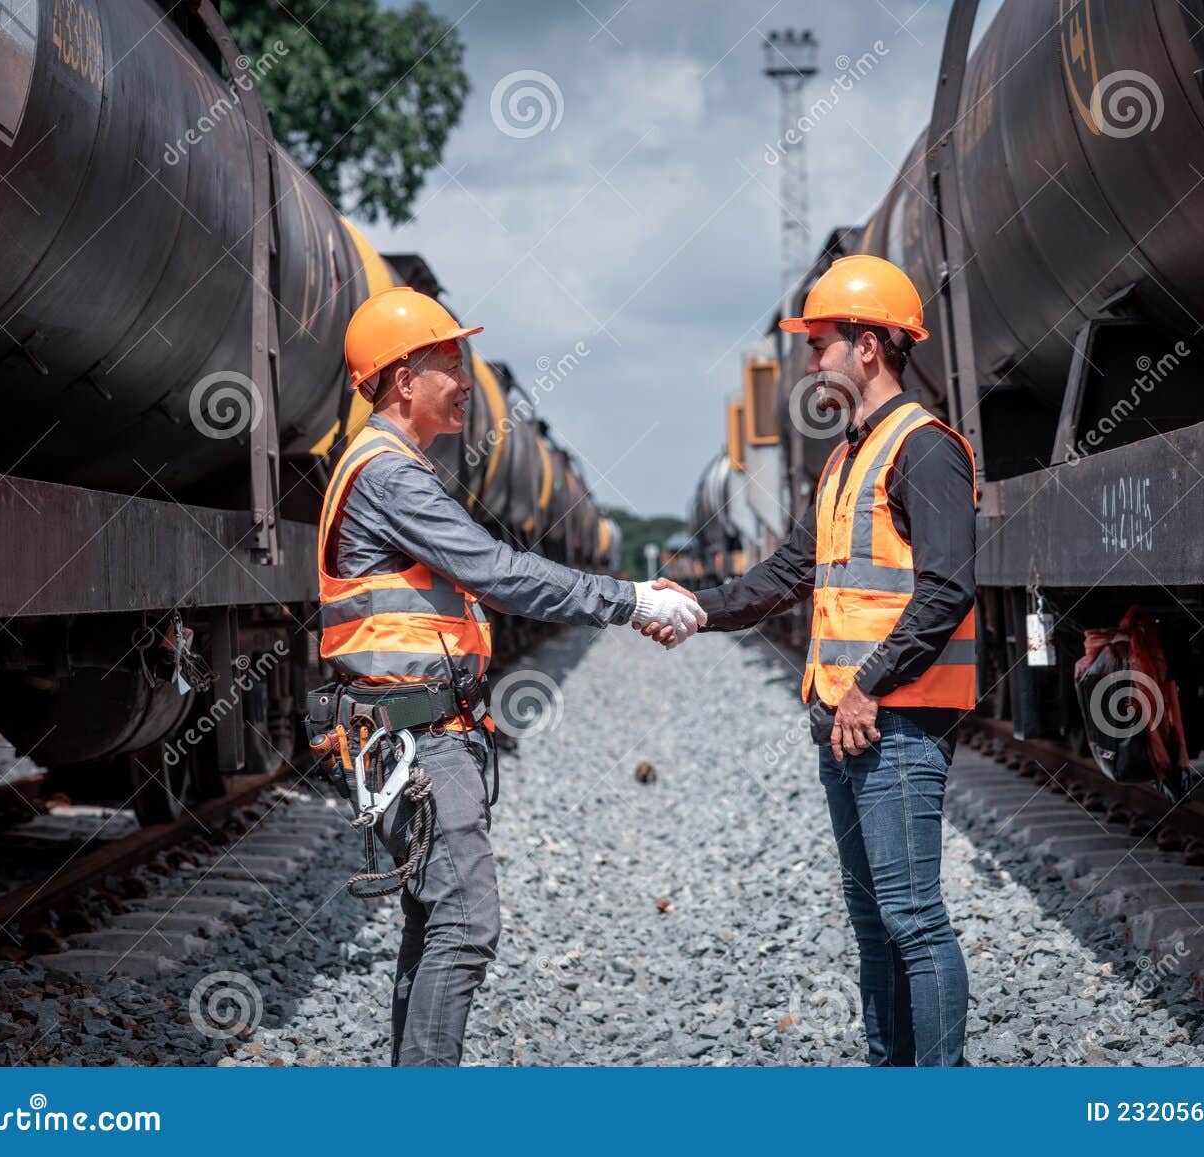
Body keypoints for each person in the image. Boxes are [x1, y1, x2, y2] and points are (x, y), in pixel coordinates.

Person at [319, 286, 704, 1065]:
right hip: (415, 737)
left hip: (414, 731)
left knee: (434, 922)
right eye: (449, 362)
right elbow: (497, 572)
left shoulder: (386, 466)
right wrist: (629, 599)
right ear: (403, 381)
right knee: (465, 921)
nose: (466, 380)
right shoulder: (389, 474)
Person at [649, 255, 976, 1066]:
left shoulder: (924, 450)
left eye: (819, 343)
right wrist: (694, 609)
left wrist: (867, 687)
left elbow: (946, 589)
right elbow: (791, 572)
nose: (809, 362)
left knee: (913, 916)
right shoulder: (845, 458)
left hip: (896, 721)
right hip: (847, 721)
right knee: (873, 919)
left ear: (867, 345)